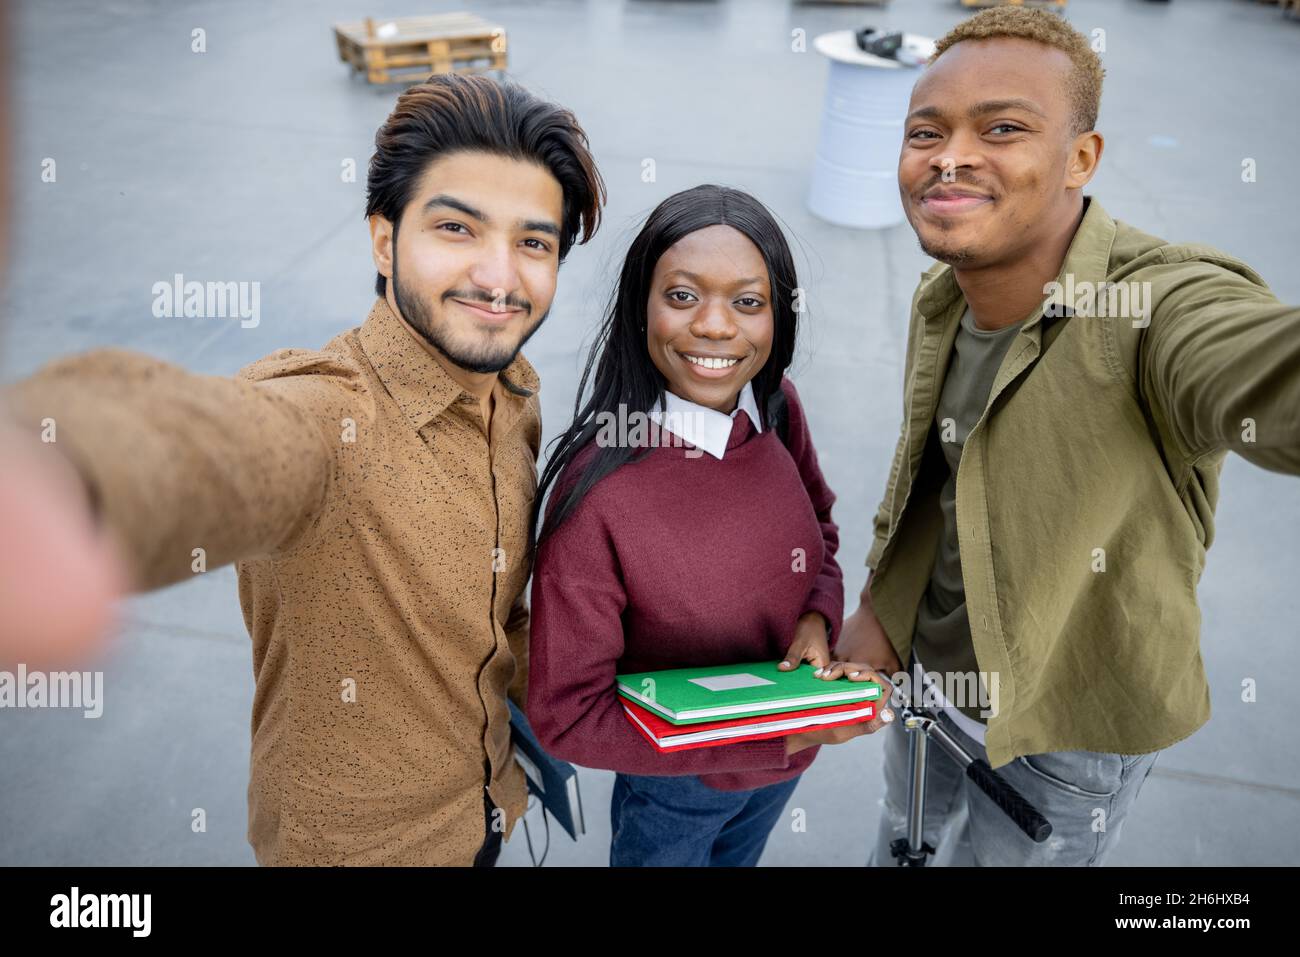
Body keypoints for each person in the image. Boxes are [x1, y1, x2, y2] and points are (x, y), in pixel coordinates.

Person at [2, 73, 606, 865]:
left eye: (533, 242)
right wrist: (61, 466)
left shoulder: (514, 397)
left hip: (491, 807)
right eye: (457, 228)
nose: (500, 278)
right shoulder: (324, 417)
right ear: (384, 240)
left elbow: (495, 624)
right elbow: (220, 442)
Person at [833, 7, 1300, 866]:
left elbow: (1258, 367)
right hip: (929, 690)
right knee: (903, 854)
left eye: (1002, 128)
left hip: (1062, 735)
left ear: (1081, 158)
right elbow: (939, 476)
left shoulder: (1155, 303)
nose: (949, 156)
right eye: (925, 131)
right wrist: (880, 606)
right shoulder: (943, 299)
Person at [526, 185, 893, 867]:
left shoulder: (777, 409)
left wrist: (816, 617)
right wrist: (770, 739)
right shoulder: (598, 491)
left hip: (783, 771)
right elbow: (566, 714)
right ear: (640, 306)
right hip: (676, 790)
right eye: (683, 296)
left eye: (748, 302)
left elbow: (820, 532)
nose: (717, 327)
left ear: (779, 316)